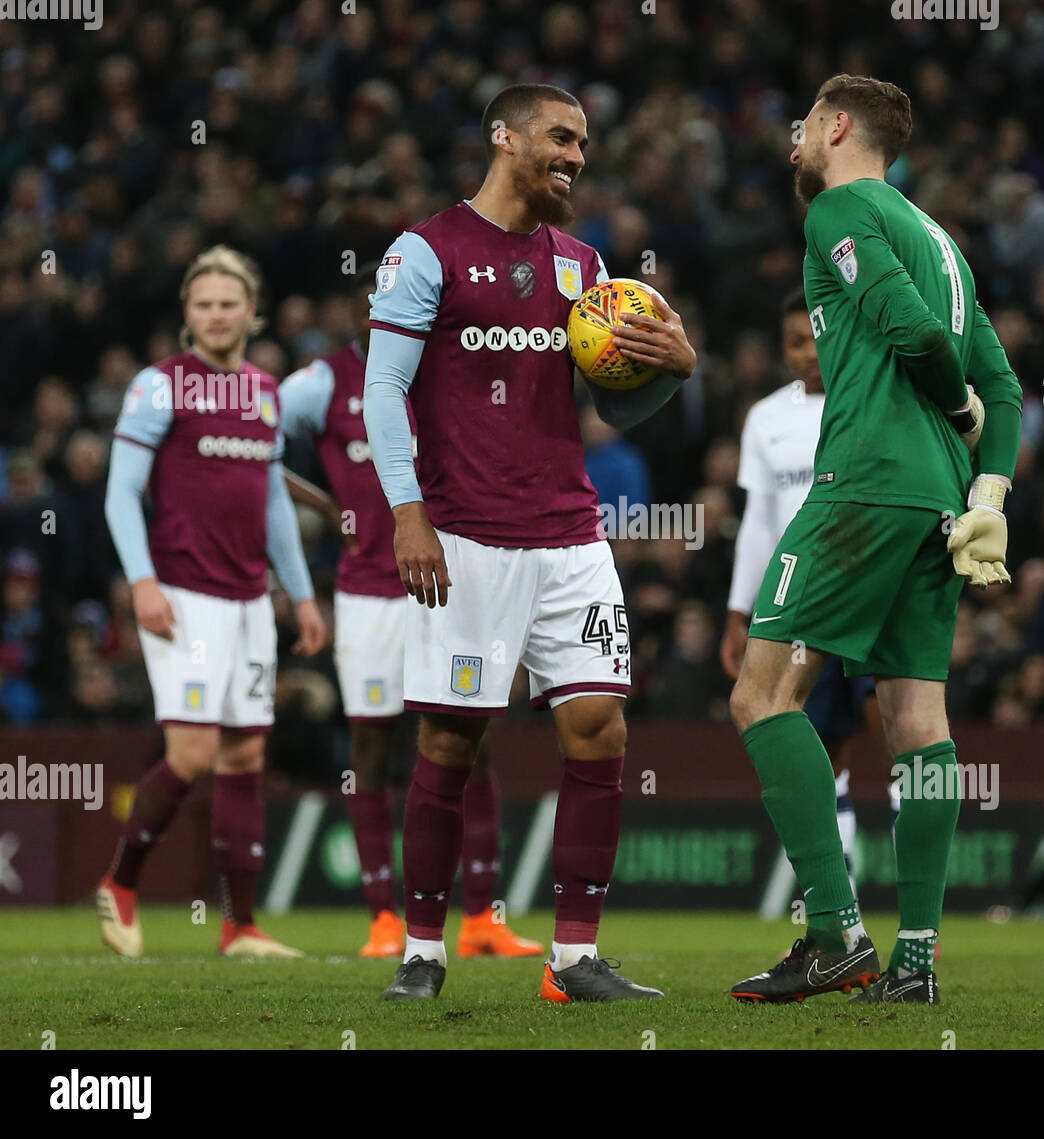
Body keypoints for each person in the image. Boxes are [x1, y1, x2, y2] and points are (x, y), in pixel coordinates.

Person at [362, 84, 697, 1002]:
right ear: (504, 138)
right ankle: (424, 953)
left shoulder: (583, 268)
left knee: (600, 730)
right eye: (560, 138)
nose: (576, 157)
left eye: (584, 143)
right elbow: (383, 391)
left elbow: (614, 400)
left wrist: (673, 370)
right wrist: (406, 512)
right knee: (451, 740)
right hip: (465, 535)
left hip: (570, 536)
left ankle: (574, 959)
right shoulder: (425, 252)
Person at [728, 74, 1022, 1005]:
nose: (794, 137)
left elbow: (914, 333)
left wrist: (951, 401)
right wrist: (991, 490)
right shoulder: (942, 239)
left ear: (839, 126)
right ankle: (918, 962)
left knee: (761, 694)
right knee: (916, 722)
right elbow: (1006, 387)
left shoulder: (839, 208)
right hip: (939, 502)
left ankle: (835, 931)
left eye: (804, 120)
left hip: (865, 480)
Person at [279, 268, 541, 960]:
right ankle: (383, 920)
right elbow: (254, 436)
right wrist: (322, 510)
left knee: (472, 741)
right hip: (368, 595)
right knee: (372, 748)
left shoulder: (451, 367)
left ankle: (482, 916)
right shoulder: (324, 381)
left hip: (454, 583)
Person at [97, 245, 326, 958]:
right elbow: (119, 492)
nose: (217, 314)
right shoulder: (160, 386)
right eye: (204, 304)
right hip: (184, 594)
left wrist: (303, 594)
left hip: (250, 601)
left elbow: (274, 503)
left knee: (244, 754)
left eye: (229, 302)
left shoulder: (264, 393)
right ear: (188, 315)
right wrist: (141, 581)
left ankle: (241, 926)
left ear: (252, 312)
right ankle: (122, 881)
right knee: (193, 751)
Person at [720, 289, 864, 893]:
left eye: (818, 338)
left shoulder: (870, 402)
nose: (810, 353)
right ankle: (842, 908)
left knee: (912, 744)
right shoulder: (766, 419)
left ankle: (920, 925)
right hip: (805, 605)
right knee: (826, 755)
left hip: (876, 594)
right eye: (795, 343)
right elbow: (758, 522)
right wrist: (737, 612)